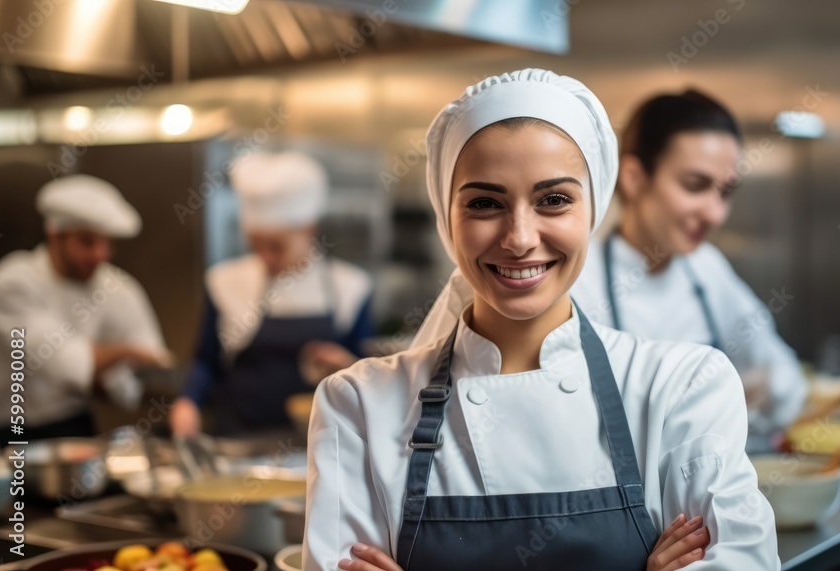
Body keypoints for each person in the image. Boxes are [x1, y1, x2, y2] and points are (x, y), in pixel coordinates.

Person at [304, 69, 779, 571]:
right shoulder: (356, 405)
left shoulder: (684, 388)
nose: (520, 238)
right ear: (447, 220)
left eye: (554, 200)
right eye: (485, 203)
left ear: (592, 211)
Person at [570, 90, 807, 439]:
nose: (716, 214)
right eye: (695, 185)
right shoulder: (578, 280)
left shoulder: (706, 268)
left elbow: (785, 380)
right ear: (634, 177)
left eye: (725, 192)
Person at [169, 151, 375, 437]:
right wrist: (188, 402)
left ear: (309, 230)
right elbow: (206, 360)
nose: (266, 258)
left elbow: (372, 374)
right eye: (256, 246)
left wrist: (346, 365)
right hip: (238, 441)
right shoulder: (226, 282)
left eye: (277, 247)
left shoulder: (349, 287)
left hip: (324, 447)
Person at [0, 175, 169, 445]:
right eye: (87, 242)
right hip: (13, 431)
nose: (100, 254)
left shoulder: (116, 287)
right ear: (54, 237)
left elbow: (145, 371)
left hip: (77, 425)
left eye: (106, 243)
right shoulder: (14, 282)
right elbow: (68, 364)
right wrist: (126, 352)